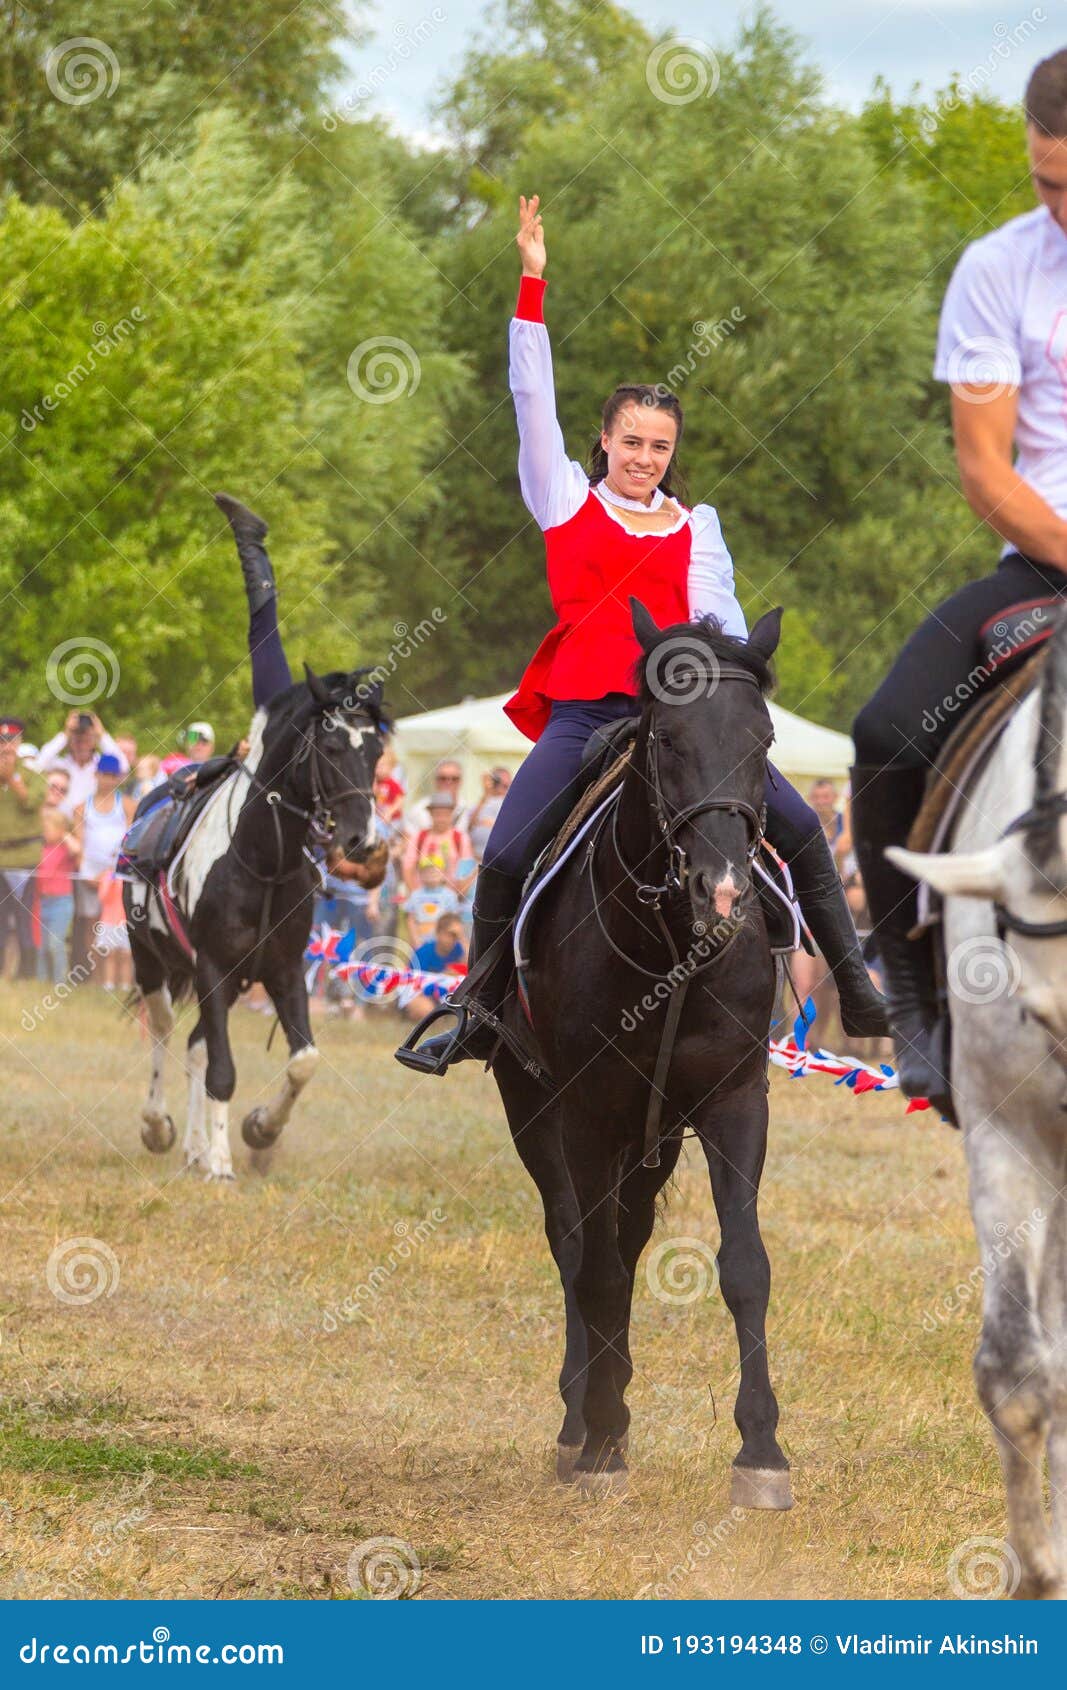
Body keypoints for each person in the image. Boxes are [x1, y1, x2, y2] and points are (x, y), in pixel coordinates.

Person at [401, 193, 888, 1074]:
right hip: (587, 716)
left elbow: (724, 626)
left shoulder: (696, 525)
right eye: (631, 441)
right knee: (508, 848)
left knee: (802, 831)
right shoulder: (562, 498)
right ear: (604, 440)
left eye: (659, 446)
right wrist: (532, 284)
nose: (643, 458)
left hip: (683, 725)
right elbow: (527, 392)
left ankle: (853, 982)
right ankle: (477, 1008)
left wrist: (732, 696)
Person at [851, 49, 1067, 1114]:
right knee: (886, 730)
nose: (1060, 204)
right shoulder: (995, 267)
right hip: (1039, 558)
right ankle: (908, 1000)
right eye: (1044, 183)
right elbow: (984, 468)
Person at [71, 753, 136, 977]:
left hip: (118, 874)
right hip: (90, 873)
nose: (107, 780)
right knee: (92, 923)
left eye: (112, 776)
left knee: (118, 924)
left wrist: (115, 872)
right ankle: (96, 975)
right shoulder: (81, 807)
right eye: (104, 775)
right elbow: (79, 843)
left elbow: (131, 840)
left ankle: (118, 978)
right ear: (96, 775)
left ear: (118, 778)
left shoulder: (127, 805)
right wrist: (85, 872)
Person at [0, 716, 46, 979]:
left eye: (10, 741)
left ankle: (27, 973)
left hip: (24, 858)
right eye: (1, 741)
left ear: (19, 742)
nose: (6, 747)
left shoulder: (33, 774)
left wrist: (12, 778)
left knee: (23, 919)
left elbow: (31, 803)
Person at [34, 710, 128, 813]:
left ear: (95, 741)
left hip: (90, 824)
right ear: (69, 741)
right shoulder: (60, 765)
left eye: (87, 740)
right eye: (78, 740)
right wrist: (66, 733)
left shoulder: (100, 767)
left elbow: (123, 766)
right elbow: (38, 764)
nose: (82, 746)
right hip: (62, 822)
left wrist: (101, 734)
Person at [36, 769, 79, 983]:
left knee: (56, 943)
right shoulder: (40, 847)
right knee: (41, 944)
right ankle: (40, 980)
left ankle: (60, 980)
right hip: (40, 900)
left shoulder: (63, 845)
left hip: (61, 901)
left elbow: (76, 849)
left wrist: (63, 833)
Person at [400, 913, 468, 1023]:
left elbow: (472, 967)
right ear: (439, 933)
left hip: (442, 997)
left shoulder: (458, 949)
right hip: (417, 995)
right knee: (429, 1012)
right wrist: (446, 974)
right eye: (451, 934)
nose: (454, 939)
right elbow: (411, 987)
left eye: (457, 936)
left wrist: (462, 938)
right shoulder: (423, 953)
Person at [467, 766, 512, 864]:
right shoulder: (482, 802)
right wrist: (486, 792)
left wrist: (492, 824)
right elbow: (468, 826)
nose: (504, 788)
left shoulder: (510, 805)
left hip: (498, 861)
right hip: (475, 859)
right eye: (499, 783)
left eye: (507, 785)